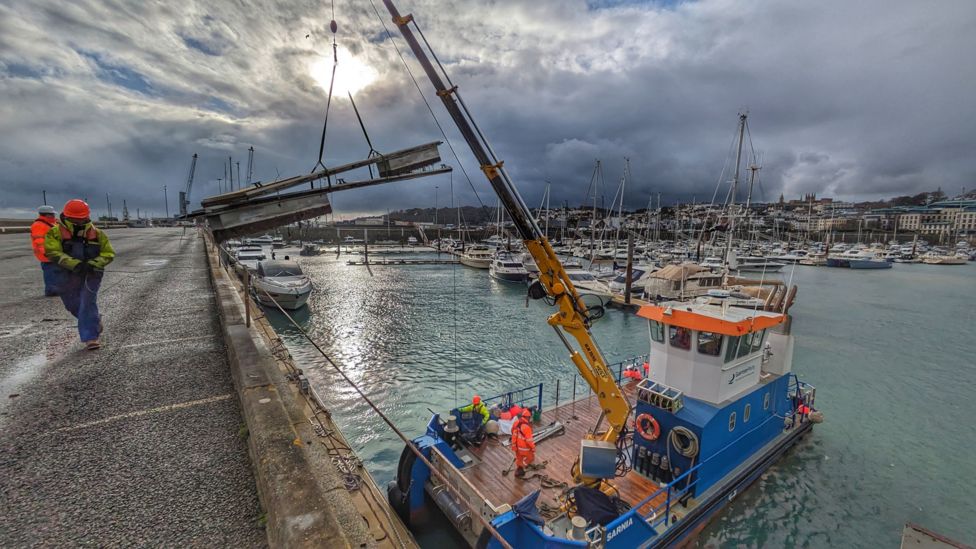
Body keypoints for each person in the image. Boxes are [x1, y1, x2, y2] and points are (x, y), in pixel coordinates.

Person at [44, 199, 115, 350]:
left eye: (82, 219)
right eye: (75, 219)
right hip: (66, 275)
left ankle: (91, 338)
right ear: (66, 216)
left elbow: (108, 253)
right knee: (72, 305)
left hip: (92, 274)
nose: (79, 222)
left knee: (87, 302)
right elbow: (52, 252)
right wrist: (75, 264)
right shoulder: (55, 233)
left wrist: (93, 264)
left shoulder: (97, 234)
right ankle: (94, 320)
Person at [30, 205, 58, 296]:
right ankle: (51, 290)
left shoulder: (51, 223)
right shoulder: (39, 225)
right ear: (47, 215)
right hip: (46, 254)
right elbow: (39, 241)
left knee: (54, 271)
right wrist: (46, 253)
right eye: (52, 214)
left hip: (52, 251)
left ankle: (55, 288)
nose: (54, 216)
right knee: (50, 271)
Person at [511, 409, 536, 478]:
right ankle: (521, 468)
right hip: (524, 448)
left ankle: (519, 469)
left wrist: (514, 445)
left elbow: (512, 432)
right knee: (531, 458)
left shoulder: (516, 422)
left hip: (516, 446)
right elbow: (529, 440)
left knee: (519, 459)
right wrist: (533, 447)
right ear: (527, 417)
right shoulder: (527, 427)